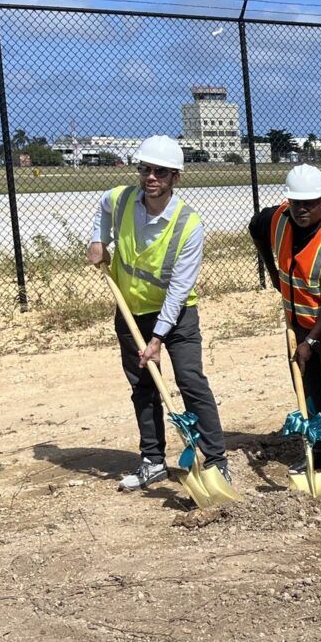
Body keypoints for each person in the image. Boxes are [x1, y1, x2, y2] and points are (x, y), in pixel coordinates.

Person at [85, 135, 232, 493]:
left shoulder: (188, 225)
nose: (151, 177)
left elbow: (179, 290)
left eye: (160, 172)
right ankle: (152, 461)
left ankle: (215, 462)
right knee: (143, 387)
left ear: (175, 177)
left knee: (190, 382)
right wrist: (98, 239)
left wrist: (157, 338)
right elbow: (102, 206)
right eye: (145, 169)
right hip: (130, 310)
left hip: (177, 317)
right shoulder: (120, 199)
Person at [249, 164, 321, 488]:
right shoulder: (277, 220)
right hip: (298, 323)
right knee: (309, 390)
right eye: (296, 202)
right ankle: (320, 448)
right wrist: (271, 271)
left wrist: (309, 343)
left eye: (310, 203)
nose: (302, 209)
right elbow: (255, 227)